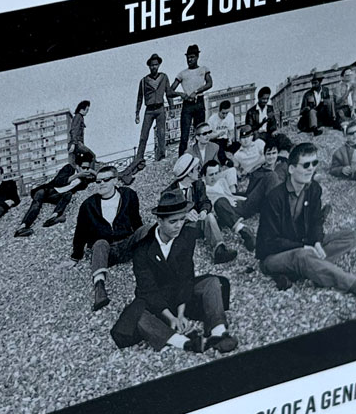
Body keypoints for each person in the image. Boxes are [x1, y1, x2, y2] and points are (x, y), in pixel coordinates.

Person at [254, 143, 356, 305]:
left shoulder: (314, 189)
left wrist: (317, 242)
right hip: (273, 256)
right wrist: (303, 247)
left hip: (302, 244)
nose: (311, 168)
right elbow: (269, 242)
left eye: (314, 163)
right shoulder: (274, 198)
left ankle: (303, 270)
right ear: (291, 169)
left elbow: (316, 221)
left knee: (349, 236)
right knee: (302, 256)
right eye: (306, 165)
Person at [110, 187, 238, 354]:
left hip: (180, 292)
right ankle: (185, 343)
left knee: (212, 282)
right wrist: (172, 318)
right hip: (156, 300)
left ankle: (218, 332)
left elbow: (186, 276)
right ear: (159, 221)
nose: (178, 226)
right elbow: (148, 290)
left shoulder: (186, 236)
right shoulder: (142, 249)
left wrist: (181, 313)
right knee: (136, 316)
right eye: (173, 222)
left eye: (182, 219)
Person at [70, 164, 146, 310]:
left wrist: (141, 237)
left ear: (115, 180)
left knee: (146, 230)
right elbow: (80, 232)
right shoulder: (88, 205)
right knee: (99, 243)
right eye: (98, 181)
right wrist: (75, 256)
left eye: (106, 180)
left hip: (126, 245)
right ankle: (99, 289)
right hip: (105, 251)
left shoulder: (128, 195)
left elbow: (136, 220)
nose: (101, 184)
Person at [166, 152, 239, 261]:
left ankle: (219, 250)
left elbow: (205, 201)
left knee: (209, 216)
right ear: (189, 173)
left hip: (196, 225)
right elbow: (166, 217)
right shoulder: (169, 193)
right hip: (181, 228)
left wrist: (204, 211)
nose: (199, 171)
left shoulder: (198, 184)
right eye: (197, 169)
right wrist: (184, 215)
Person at [12, 154, 95, 236]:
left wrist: (92, 172)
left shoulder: (83, 181)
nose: (85, 170)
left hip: (56, 196)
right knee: (36, 204)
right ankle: (22, 227)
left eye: (87, 168)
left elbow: (97, 178)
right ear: (77, 166)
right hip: (47, 190)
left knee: (68, 194)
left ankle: (53, 217)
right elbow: (58, 181)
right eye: (83, 168)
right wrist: (76, 175)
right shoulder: (68, 168)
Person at [170, 44, 213, 154]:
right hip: (187, 105)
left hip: (199, 103)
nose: (189, 60)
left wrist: (196, 91)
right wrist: (181, 94)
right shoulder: (182, 74)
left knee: (200, 133)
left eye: (192, 57)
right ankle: (181, 160)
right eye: (188, 57)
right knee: (184, 136)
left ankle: (201, 157)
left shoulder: (203, 69)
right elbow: (170, 92)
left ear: (197, 57)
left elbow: (209, 83)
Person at [134, 54, 173, 164]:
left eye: (156, 65)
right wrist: (137, 113)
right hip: (149, 110)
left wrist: (171, 108)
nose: (154, 67)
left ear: (159, 65)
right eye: (152, 65)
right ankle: (139, 158)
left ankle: (162, 156)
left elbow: (168, 93)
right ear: (149, 66)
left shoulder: (164, 77)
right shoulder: (143, 81)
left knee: (161, 133)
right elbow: (139, 98)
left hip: (160, 108)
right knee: (144, 135)